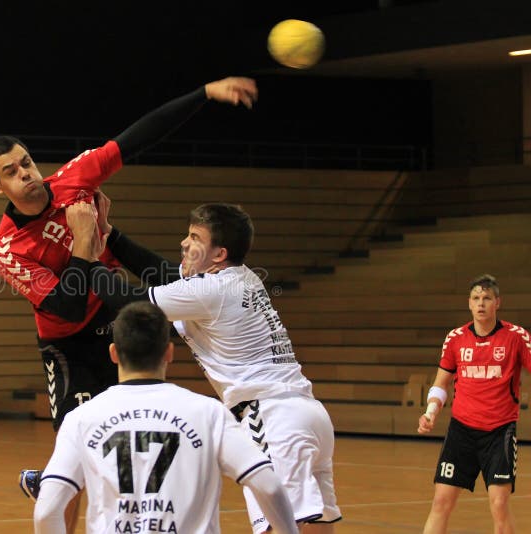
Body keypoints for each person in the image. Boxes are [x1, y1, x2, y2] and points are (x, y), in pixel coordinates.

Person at [0, 76, 258, 526]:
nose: (25, 174)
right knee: (74, 455)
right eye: (10, 172)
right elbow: (68, 307)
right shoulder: (7, 250)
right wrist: (84, 241)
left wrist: (204, 93)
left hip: (116, 320)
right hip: (69, 345)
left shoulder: (74, 178)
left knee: (136, 434)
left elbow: (138, 136)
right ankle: (53, 485)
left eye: (26, 162)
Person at [65, 198, 342, 533]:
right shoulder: (240, 277)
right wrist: (111, 235)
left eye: (195, 237)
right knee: (316, 523)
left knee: (278, 526)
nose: (185, 242)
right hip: (308, 413)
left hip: (271, 416)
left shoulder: (210, 291)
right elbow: (163, 272)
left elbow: (130, 302)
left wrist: (88, 256)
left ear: (219, 254)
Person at [33, 301, 299, 534]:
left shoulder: (80, 418)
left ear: (113, 353)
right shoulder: (209, 412)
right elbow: (269, 486)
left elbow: (47, 510)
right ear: (169, 352)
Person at [418, 274, 531, 534]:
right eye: (476, 298)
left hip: (499, 432)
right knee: (441, 501)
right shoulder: (456, 338)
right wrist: (431, 412)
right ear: (469, 303)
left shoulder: (516, 337)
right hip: (461, 431)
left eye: (487, 298)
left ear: (497, 303)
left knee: (499, 504)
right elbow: (441, 383)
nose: (481, 303)